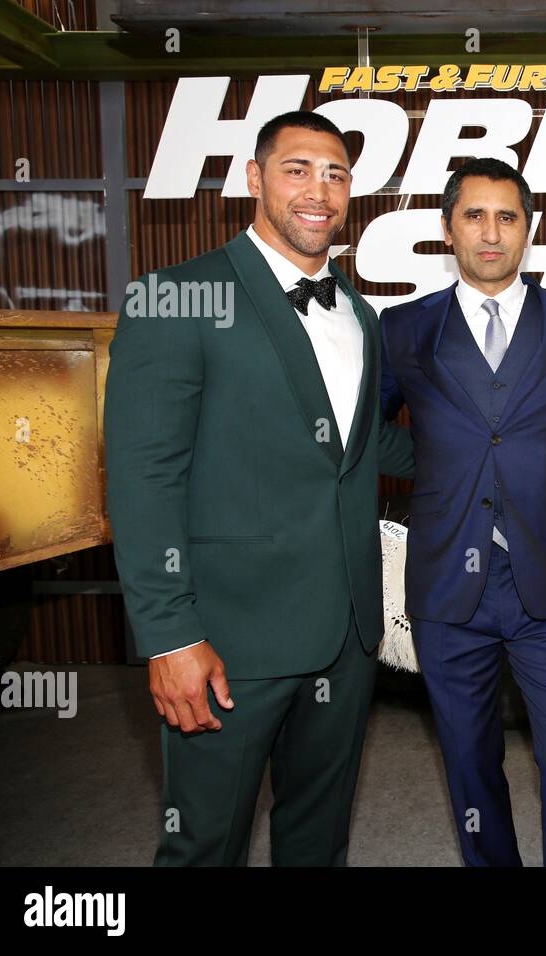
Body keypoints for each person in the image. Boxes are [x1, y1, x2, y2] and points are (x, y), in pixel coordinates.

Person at [105, 110, 416, 866]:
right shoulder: (174, 297)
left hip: (347, 634)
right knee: (204, 847)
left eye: (336, 175)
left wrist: (504, 453)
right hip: (226, 639)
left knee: (317, 839)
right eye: (297, 169)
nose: (319, 190)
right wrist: (169, 636)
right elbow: (143, 478)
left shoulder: (359, 312)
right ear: (254, 178)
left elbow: (362, 448)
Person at [379, 158, 546, 866]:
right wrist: (437, 465)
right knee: (469, 760)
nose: (490, 232)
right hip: (448, 580)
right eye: (474, 215)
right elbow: (367, 432)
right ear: (448, 228)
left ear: (527, 230)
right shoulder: (404, 327)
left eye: (506, 217)